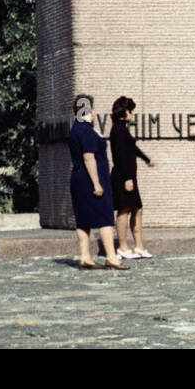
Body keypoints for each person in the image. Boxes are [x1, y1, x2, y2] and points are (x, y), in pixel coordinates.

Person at [68, 94, 126, 270]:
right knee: (105, 218)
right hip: (91, 179)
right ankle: (111, 257)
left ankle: (85, 257)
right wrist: (97, 183)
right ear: (90, 110)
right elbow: (89, 158)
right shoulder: (87, 131)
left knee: (83, 220)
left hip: (77, 178)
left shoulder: (74, 130)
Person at [110, 96, 156, 260]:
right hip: (123, 177)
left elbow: (133, 149)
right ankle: (122, 247)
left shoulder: (122, 128)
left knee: (137, 209)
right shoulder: (118, 130)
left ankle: (139, 247)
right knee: (124, 210)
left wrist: (147, 159)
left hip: (129, 176)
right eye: (131, 111)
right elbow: (120, 157)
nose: (132, 114)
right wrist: (127, 179)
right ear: (124, 112)